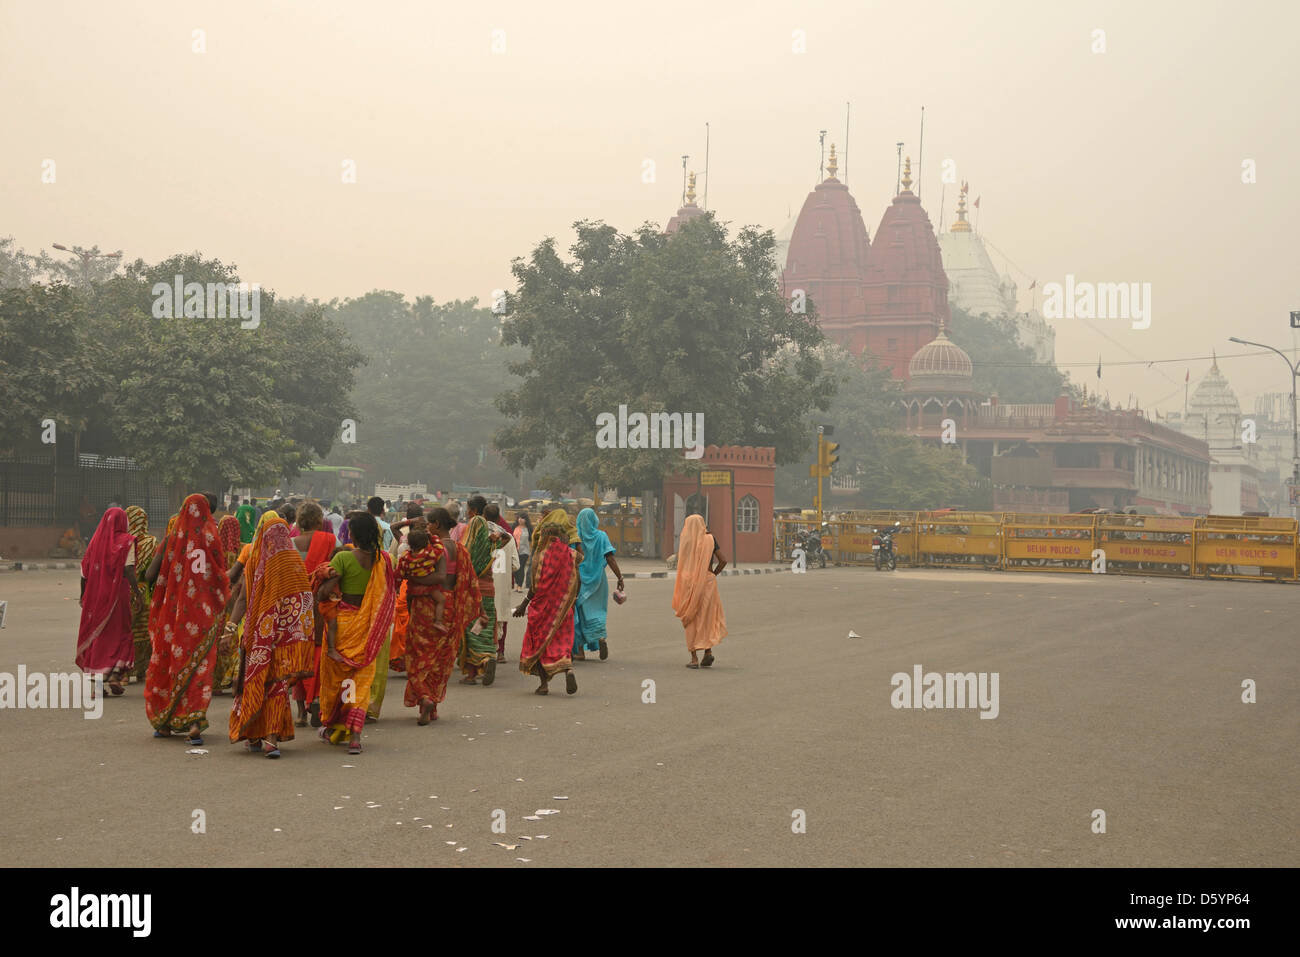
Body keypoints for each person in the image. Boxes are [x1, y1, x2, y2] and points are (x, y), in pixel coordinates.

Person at [144, 493, 231, 745]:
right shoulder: (210, 535)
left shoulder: (172, 538)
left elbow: (151, 573)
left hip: (173, 617)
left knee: (169, 663)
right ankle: (194, 722)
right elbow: (219, 574)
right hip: (202, 616)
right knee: (199, 668)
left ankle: (165, 722)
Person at [226, 512, 314, 758]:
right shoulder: (293, 562)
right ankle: (271, 740)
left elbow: (242, 599)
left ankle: (253, 735)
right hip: (284, 639)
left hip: (257, 634)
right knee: (276, 685)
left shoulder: (254, 558)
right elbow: (305, 600)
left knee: (253, 680)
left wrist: (231, 627)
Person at [313, 512, 396, 754]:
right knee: (361, 682)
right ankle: (355, 737)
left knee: (337, 680)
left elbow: (323, 594)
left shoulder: (343, 560)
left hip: (343, 626)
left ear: (352, 534)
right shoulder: (384, 561)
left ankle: (335, 725)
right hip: (368, 627)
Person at [397, 524, 464, 724]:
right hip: (441, 606)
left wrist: (416, 581)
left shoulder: (407, 559)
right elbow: (442, 576)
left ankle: (424, 698)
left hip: (418, 607)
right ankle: (432, 704)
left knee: (417, 657)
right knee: (437, 660)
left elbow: (401, 576)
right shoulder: (440, 552)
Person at [76, 507, 140, 696]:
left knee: (97, 636)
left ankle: (96, 687)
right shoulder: (126, 541)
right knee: (122, 632)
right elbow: (128, 569)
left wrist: (82, 596)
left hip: (95, 596)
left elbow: (84, 573)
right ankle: (114, 676)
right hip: (118, 595)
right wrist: (136, 591)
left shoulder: (95, 543)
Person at [514, 520, 579, 696]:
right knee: (561, 642)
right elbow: (577, 578)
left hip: (541, 610)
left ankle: (543, 685)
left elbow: (534, 588)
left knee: (539, 645)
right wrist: (572, 600)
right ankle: (568, 669)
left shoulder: (539, 556)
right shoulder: (571, 555)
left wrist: (523, 605)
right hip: (562, 609)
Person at [289, 501, 339, 726]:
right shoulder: (330, 541)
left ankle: (300, 711)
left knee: (297, 653)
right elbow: (340, 566)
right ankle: (315, 699)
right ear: (320, 521)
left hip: (295, 606)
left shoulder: (289, 544)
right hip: (322, 604)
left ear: (299, 522)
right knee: (318, 651)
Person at [672, 514, 728, 669]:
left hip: (688, 582)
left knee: (690, 618)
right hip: (708, 582)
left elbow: (682, 561)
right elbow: (723, 560)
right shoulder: (710, 539)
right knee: (706, 618)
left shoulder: (686, 540)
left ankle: (694, 658)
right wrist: (712, 574)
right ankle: (708, 652)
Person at [573, 507, 624, 661]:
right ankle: (600, 637)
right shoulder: (602, 536)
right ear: (594, 519)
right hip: (598, 581)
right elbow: (610, 558)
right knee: (598, 611)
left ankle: (580, 651)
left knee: (580, 614)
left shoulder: (576, 537)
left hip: (579, 581)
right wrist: (620, 577)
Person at [458, 514, 503, 686]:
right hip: (488, 592)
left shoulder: (464, 549)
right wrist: (497, 535)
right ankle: (489, 656)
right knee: (485, 626)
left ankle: (472, 673)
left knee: (470, 632)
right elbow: (506, 536)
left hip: (470, 593)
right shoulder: (492, 544)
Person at [125, 506, 158, 683]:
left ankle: (126, 668)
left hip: (125, 590)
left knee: (129, 630)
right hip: (145, 591)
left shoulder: (123, 541)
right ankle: (142, 670)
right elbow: (154, 568)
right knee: (145, 630)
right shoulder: (151, 542)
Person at [213, 516, 244, 695]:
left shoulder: (214, 550)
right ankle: (234, 677)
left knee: (218, 638)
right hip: (238, 600)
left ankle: (217, 682)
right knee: (235, 638)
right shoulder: (243, 549)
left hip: (218, 600)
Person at [485, 503, 519, 662]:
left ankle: (486, 651)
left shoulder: (480, 533)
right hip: (502, 583)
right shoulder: (509, 536)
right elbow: (516, 565)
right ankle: (500, 652)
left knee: (484, 615)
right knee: (501, 617)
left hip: (484, 582)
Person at [513, 513, 533, 592]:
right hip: (515, 551)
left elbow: (532, 539)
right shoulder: (515, 527)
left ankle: (520, 586)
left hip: (524, 551)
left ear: (526, 520)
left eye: (522, 518)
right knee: (516, 568)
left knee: (521, 567)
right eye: (519, 518)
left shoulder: (528, 529)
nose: (520, 519)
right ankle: (517, 583)